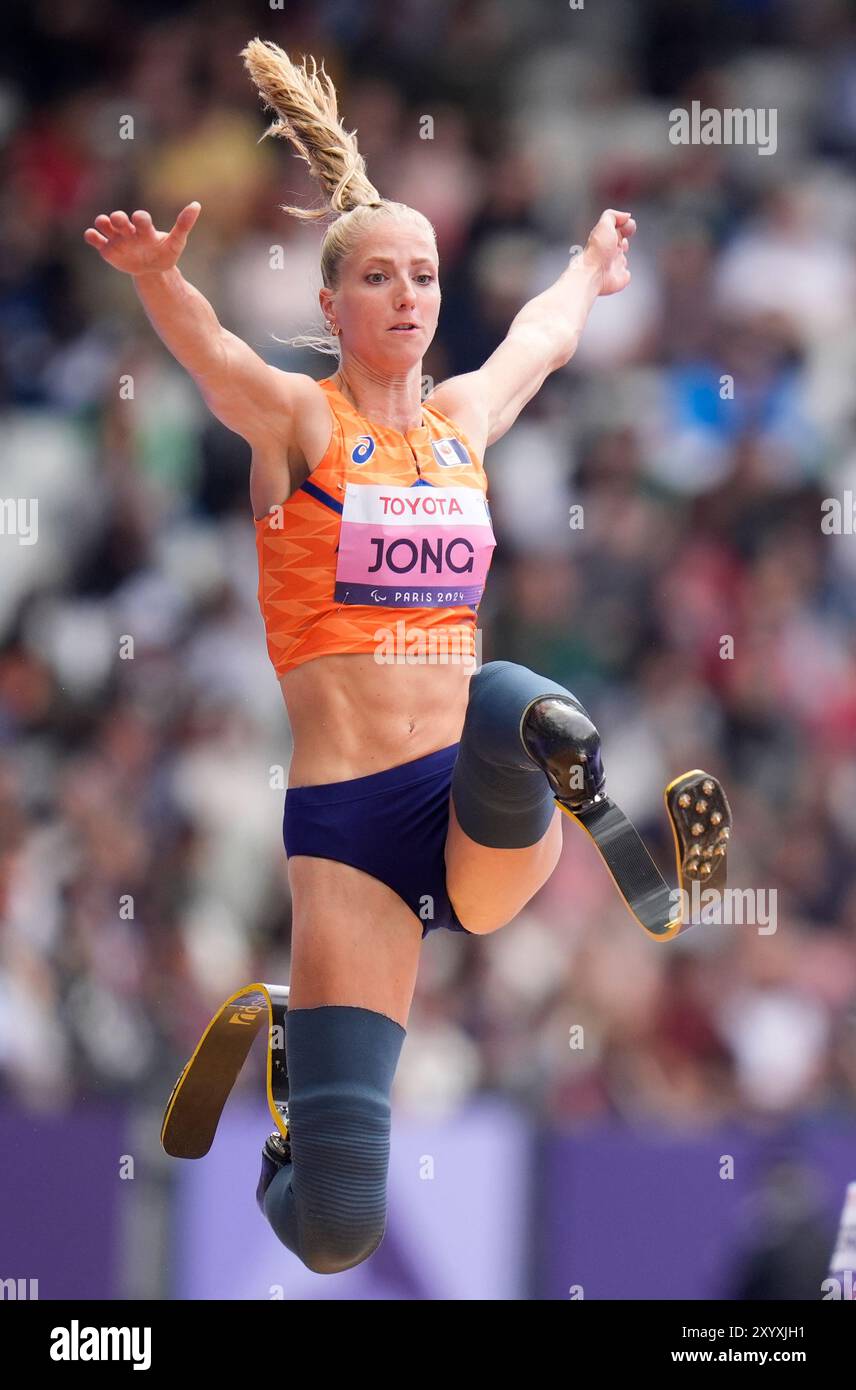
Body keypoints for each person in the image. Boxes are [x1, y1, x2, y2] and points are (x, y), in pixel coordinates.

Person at [83, 38, 635, 1275]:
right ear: (331, 306)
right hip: (348, 831)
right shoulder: (298, 421)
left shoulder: (460, 424)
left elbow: (540, 343)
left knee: (510, 693)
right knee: (338, 1228)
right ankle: (288, 1073)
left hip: (469, 792)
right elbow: (217, 361)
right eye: (377, 278)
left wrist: (588, 272)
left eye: (424, 276)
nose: (406, 296)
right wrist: (162, 283)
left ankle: (594, 797)